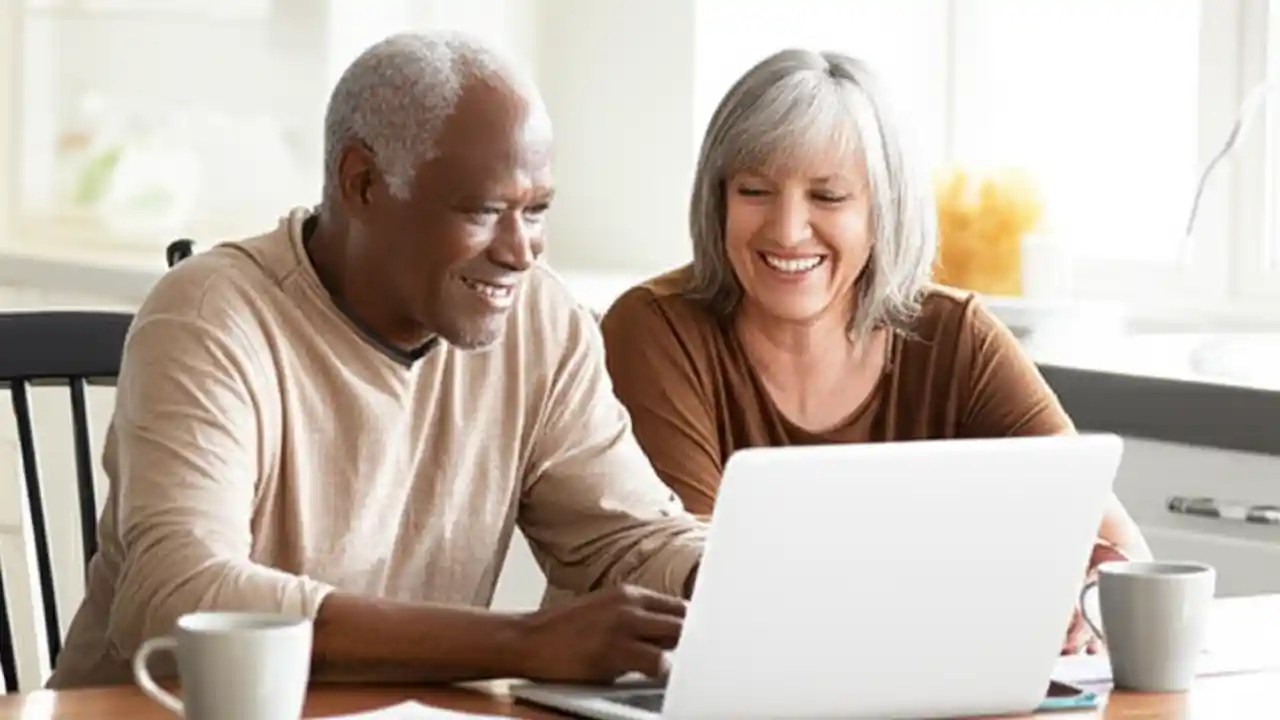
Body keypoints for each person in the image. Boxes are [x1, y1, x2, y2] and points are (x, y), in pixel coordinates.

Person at [49, 31, 704, 689]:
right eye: (482, 210)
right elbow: (179, 599)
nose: (521, 251)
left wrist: (727, 577)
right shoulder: (211, 315)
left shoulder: (541, 321)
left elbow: (628, 540)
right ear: (361, 183)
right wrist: (521, 643)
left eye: (535, 211)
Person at [599, 49, 1151, 655]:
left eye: (828, 197)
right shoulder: (655, 330)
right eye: (754, 191)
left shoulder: (957, 336)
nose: (786, 230)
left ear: (881, 211)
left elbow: (1119, 555)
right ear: (718, 199)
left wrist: (1086, 597)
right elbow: (702, 591)